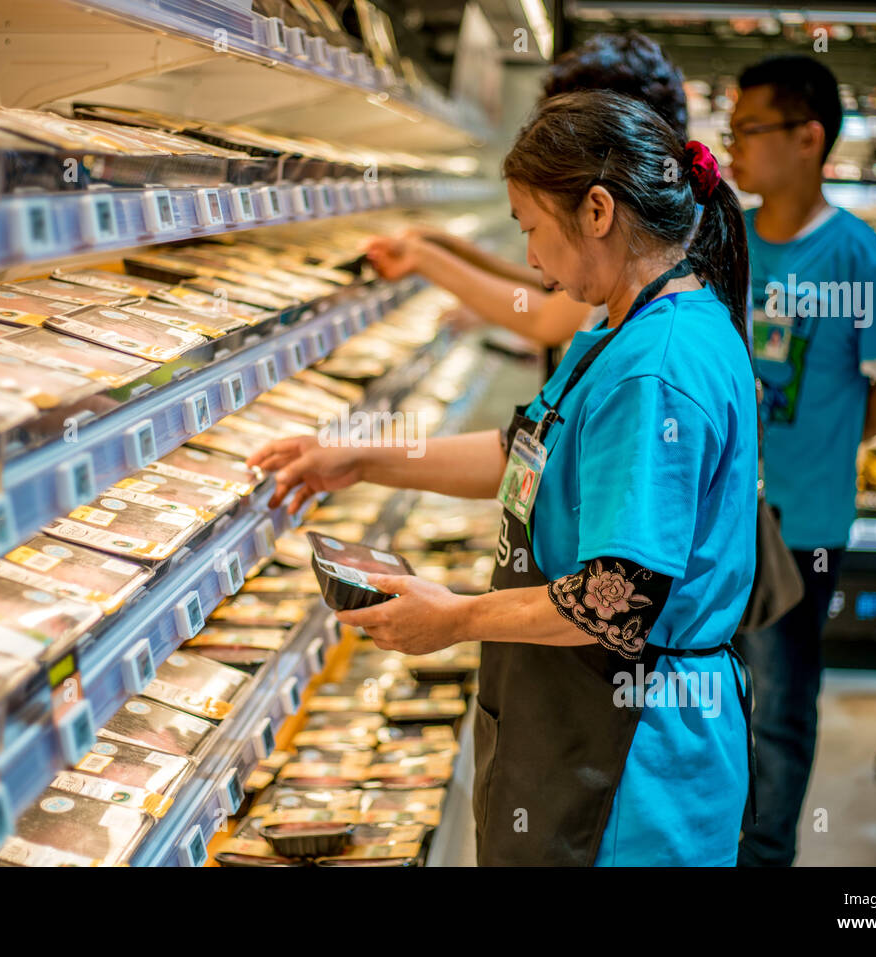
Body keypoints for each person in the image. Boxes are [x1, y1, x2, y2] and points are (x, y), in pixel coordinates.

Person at [248, 90, 759, 865]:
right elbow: (520, 454)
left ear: (596, 210)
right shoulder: (626, 327)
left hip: (630, 757)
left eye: (530, 228)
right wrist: (360, 455)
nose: (528, 259)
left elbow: (615, 595)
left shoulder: (653, 369)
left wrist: (452, 618)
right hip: (589, 718)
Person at [727, 55, 876, 866]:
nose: (732, 146)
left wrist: (832, 437)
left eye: (749, 129)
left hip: (803, 523)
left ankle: (767, 854)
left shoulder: (859, 256)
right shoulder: (724, 241)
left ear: (808, 138)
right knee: (716, 695)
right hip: (718, 517)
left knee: (780, 699)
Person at [363, 31, 689, 348]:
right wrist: (444, 246)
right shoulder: (658, 211)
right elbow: (550, 280)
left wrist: (423, 259)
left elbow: (545, 319)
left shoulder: (638, 236)